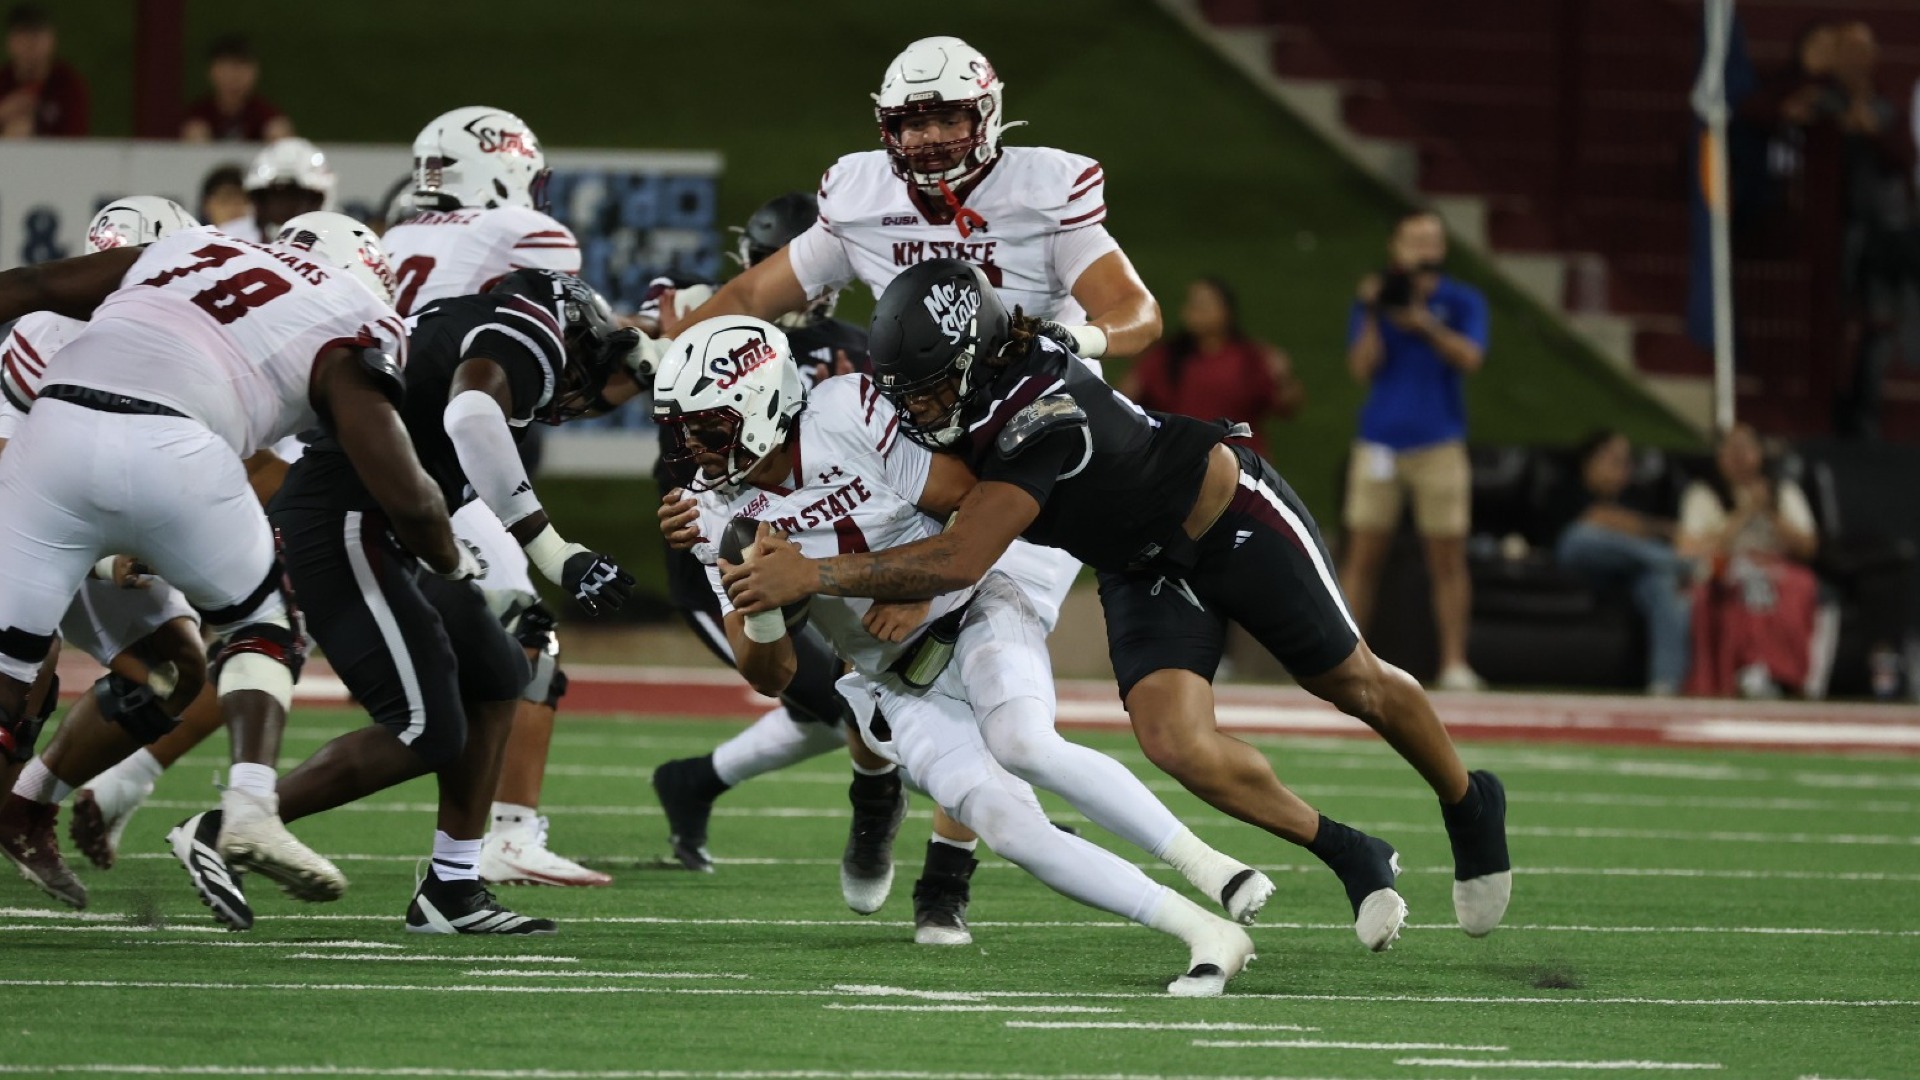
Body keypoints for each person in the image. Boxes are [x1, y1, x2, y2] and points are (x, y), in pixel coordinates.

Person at [723, 260, 1514, 949]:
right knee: (1176, 744)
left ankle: (1468, 800)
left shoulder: (1040, 406)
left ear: (969, 361)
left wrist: (823, 578)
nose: (918, 409)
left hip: (1222, 518)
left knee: (1354, 684)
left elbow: (966, 550)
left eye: (928, 391)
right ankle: (1349, 851)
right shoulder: (966, 386)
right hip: (1134, 566)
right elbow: (924, 503)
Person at [655, 34, 1161, 940]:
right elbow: (751, 298)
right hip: (907, 451)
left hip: (1029, 447)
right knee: (905, 677)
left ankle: (946, 879)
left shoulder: (1046, 186)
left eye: (946, 116)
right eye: (910, 120)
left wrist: (1072, 342)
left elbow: (1137, 313)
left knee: (994, 689)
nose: (928, 137)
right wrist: (674, 342)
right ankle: (888, 805)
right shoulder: (859, 195)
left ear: (988, 114)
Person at [657, 316, 1269, 995]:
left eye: (709, 429)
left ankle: (1210, 866)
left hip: (972, 611)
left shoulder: (846, 412)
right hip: (892, 681)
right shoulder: (709, 514)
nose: (697, 450)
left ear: (763, 404)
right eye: (685, 432)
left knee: (1023, 742)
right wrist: (765, 606)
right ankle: (1207, 933)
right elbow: (769, 674)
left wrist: (888, 586)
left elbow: (966, 501)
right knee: (1007, 826)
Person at [0, 212, 469, 931]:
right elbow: (406, 492)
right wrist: (451, 558)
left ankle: (27, 800)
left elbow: (31, 283)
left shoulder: (195, 245)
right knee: (260, 626)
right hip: (174, 443)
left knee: (11, 681)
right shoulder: (354, 313)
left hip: (51, 436)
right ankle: (250, 806)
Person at [252, 269, 635, 933]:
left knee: (499, 674)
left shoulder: (455, 323)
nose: (580, 380)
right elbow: (470, 415)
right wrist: (552, 549)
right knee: (427, 727)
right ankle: (237, 819)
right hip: (348, 525)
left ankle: (451, 888)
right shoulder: (532, 329)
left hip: (388, 530)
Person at [379, 105, 606, 888]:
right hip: (420, 463)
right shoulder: (504, 235)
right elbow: (561, 276)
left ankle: (497, 837)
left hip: (373, 446)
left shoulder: (391, 236)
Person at [0, 197, 213, 908]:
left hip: (108, 525)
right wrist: (97, 559)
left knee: (182, 668)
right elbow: (9, 472)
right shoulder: (42, 336)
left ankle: (30, 806)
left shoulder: (184, 345)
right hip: (28, 520)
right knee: (24, 674)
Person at [1337, 209, 1489, 693]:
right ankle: (1344, 659)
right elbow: (1362, 368)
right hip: (1379, 441)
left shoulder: (1461, 299)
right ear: (1396, 248)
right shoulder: (1377, 299)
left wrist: (1424, 322)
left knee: (1447, 557)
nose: (1425, 248)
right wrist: (1376, 314)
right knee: (1363, 554)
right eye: (1415, 239)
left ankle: (1454, 662)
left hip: (1439, 442)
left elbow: (1470, 358)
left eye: (1432, 239)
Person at [1678, 424, 1821, 698]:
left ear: (1760, 455)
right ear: (1720, 457)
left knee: (1795, 585)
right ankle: (1750, 669)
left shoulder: (1782, 492)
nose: (1739, 457)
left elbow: (1808, 547)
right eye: (1731, 450)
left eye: (1746, 449)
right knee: (1746, 584)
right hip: (1724, 568)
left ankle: (1782, 674)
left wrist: (1769, 512)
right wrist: (1745, 512)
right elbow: (1688, 549)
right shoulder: (1704, 494)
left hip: (1778, 569)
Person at [1545, 430, 1692, 696]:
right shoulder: (1567, 489)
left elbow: (1647, 530)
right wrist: (1636, 528)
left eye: (1625, 462)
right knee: (1581, 536)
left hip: (1626, 575)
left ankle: (1665, 684)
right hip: (1578, 564)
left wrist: (1636, 528)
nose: (1621, 469)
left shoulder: (1634, 496)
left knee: (1660, 583)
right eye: (1613, 460)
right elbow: (1594, 521)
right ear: (1590, 462)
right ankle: (1682, 563)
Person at [1119, 277, 1301, 459]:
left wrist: (1283, 377)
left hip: (1240, 464)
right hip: (1181, 464)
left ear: (1226, 311)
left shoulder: (1249, 357)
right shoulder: (1166, 357)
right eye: (1192, 303)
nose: (1194, 311)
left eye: (1204, 304)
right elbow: (1125, 401)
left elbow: (1287, 406)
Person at [179, 35, 293, 143]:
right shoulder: (198, 115)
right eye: (226, 70)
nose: (234, 79)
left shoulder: (266, 115)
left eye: (242, 70)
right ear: (212, 72)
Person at [219, 137, 333, 243]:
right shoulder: (229, 239)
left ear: (318, 201)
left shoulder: (338, 241)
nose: (283, 207)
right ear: (258, 200)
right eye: (276, 197)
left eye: (294, 197)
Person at [0, 4, 86, 138]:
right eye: (23, 36)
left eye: (37, 36)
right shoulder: (3, 81)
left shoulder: (68, 85)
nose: (30, 45)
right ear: (10, 42)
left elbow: (76, 142)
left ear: (51, 40)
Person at [197, 164, 250, 233]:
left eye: (244, 201)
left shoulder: (267, 240)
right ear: (206, 206)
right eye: (225, 200)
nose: (234, 208)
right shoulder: (192, 242)